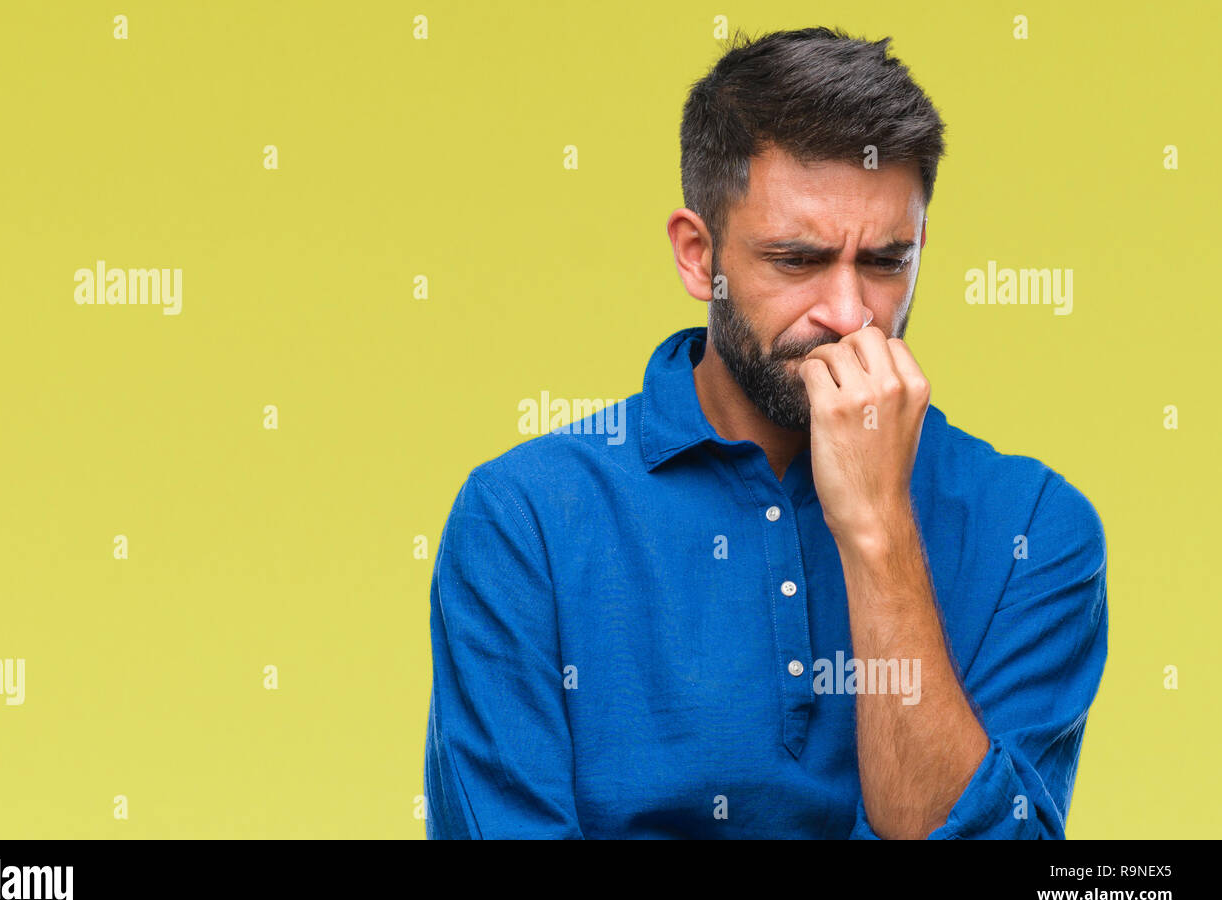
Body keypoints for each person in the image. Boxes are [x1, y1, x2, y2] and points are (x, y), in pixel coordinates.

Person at [424, 26, 1108, 839]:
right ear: (695, 254)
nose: (850, 314)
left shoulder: (1037, 529)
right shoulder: (522, 522)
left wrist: (878, 527)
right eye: (797, 260)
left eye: (887, 262)